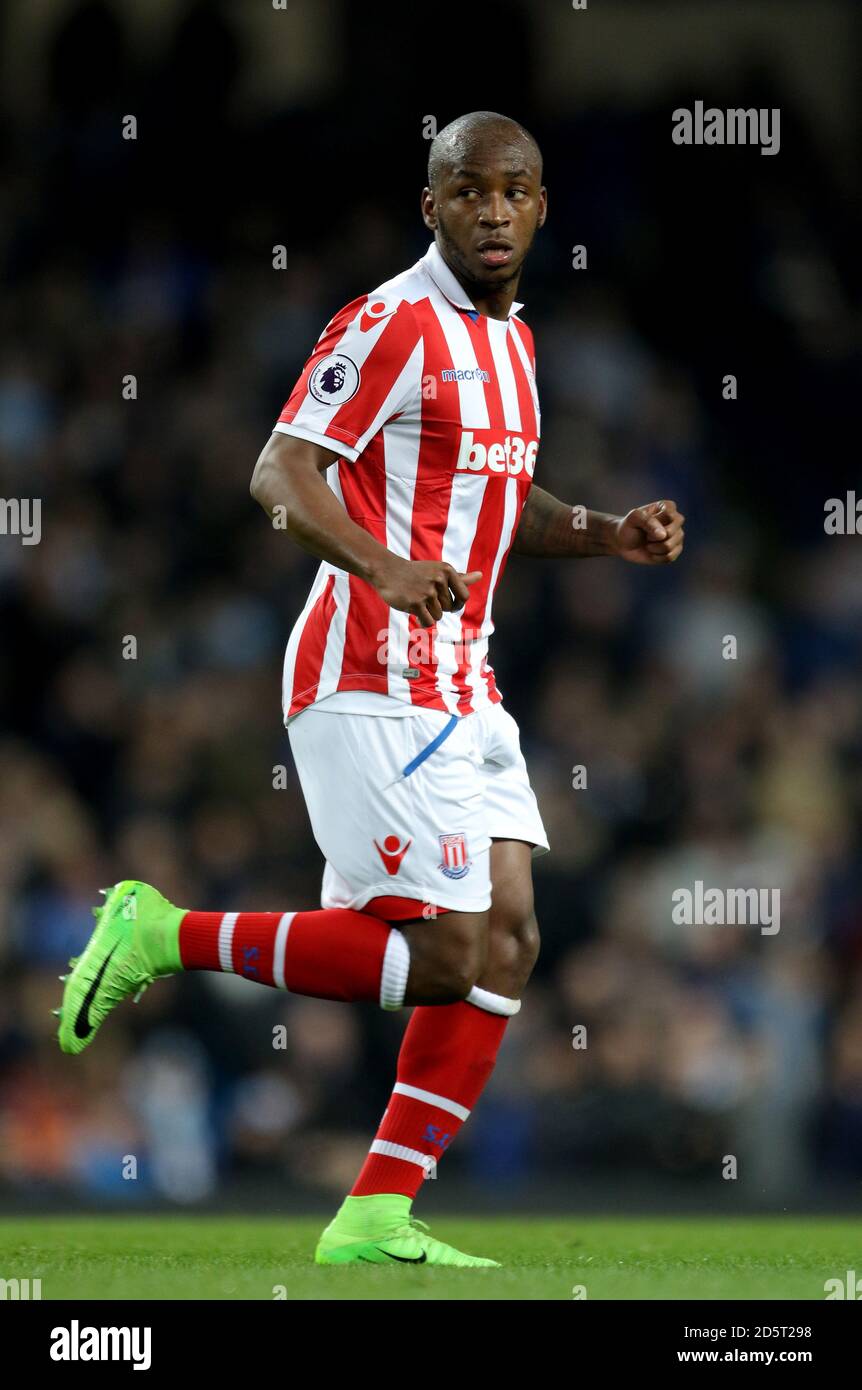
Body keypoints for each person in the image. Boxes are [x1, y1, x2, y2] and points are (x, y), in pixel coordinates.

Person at [57, 111, 684, 1267]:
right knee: (442, 952)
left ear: (543, 207)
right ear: (430, 206)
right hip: (368, 670)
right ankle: (161, 931)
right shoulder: (390, 322)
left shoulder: (517, 344)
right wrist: (385, 565)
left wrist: (605, 534)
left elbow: (503, 500)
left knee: (508, 943)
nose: (491, 210)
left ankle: (376, 1211)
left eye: (514, 190)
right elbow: (278, 472)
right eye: (467, 190)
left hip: (463, 677)